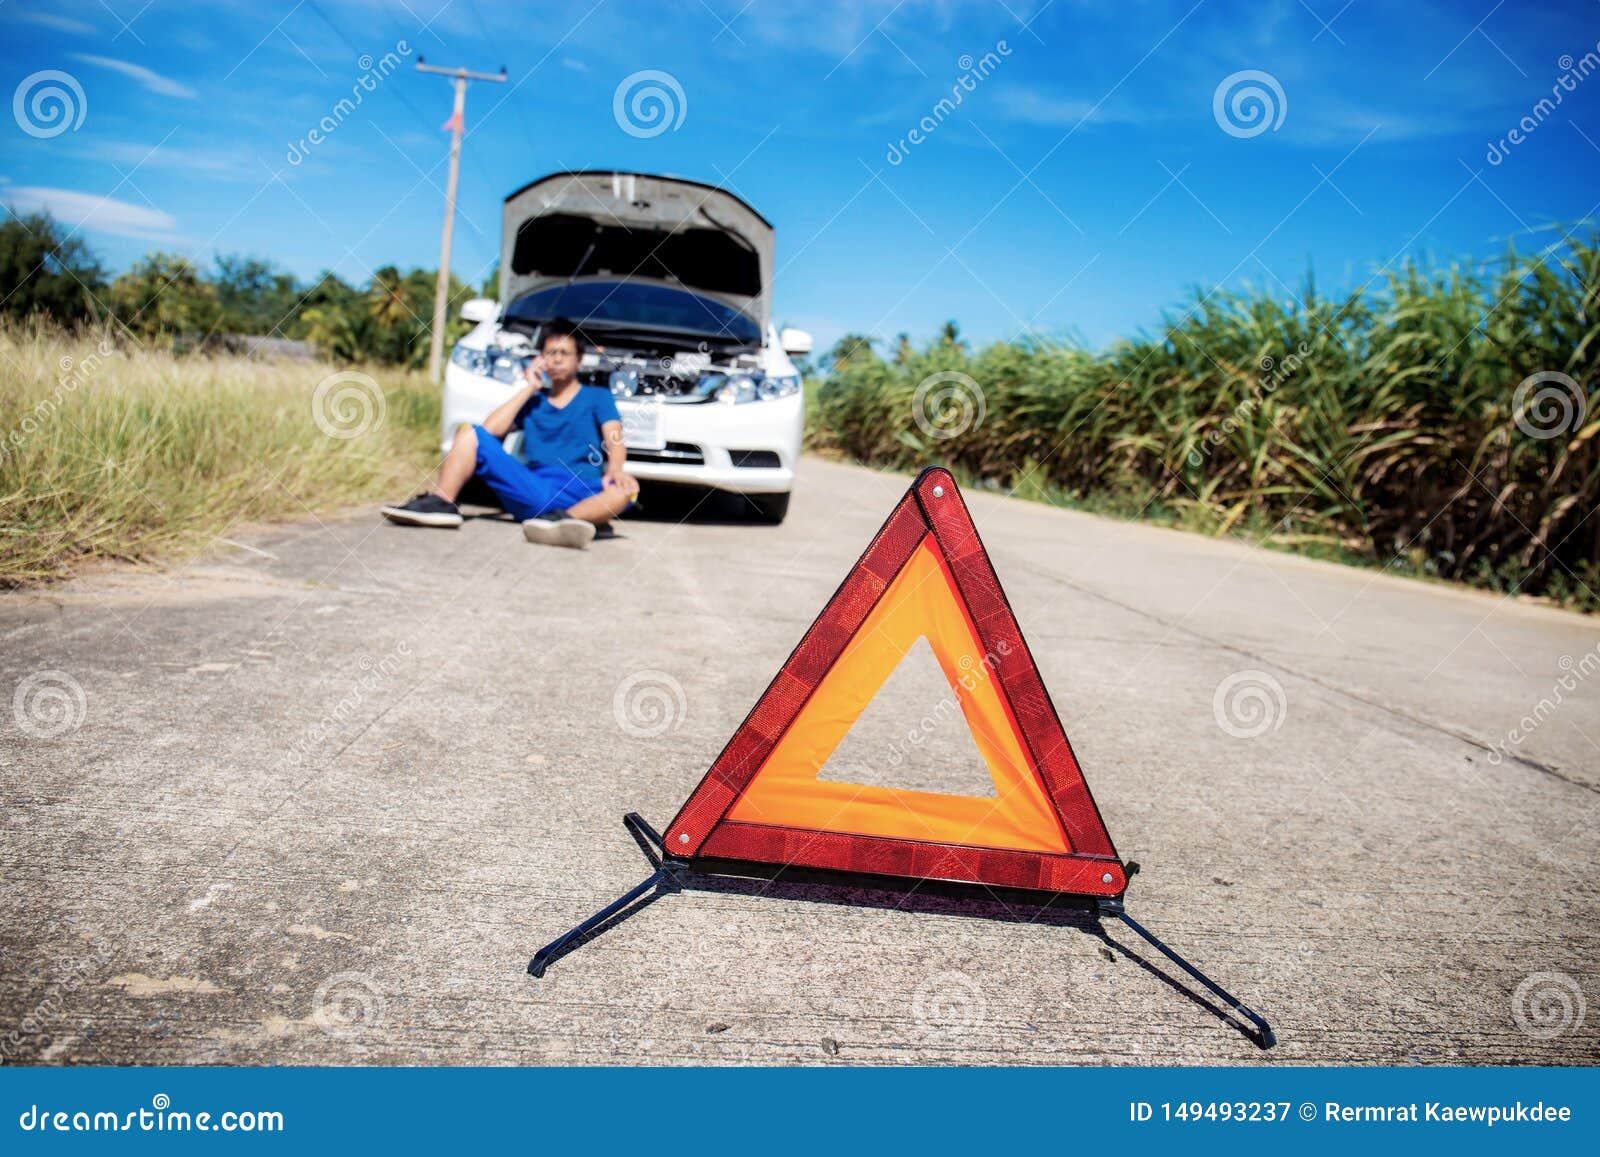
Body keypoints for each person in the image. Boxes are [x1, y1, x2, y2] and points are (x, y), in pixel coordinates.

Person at [381, 318, 639, 549]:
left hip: (582, 489)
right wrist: (529, 388)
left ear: (579, 360)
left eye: (564, 353)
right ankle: (442, 503)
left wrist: (615, 469)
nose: (557, 360)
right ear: (540, 358)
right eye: (550, 353)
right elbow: (488, 431)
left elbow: (614, 436)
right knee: (469, 432)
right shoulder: (533, 401)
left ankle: (566, 522)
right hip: (535, 489)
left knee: (627, 490)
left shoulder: (598, 397)